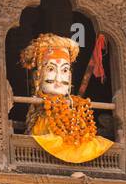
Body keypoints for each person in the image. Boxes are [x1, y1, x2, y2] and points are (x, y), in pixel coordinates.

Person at [19, 32, 113, 164]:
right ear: (37, 77)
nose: (58, 78)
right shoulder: (44, 115)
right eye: (51, 69)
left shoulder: (76, 110)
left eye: (64, 70)